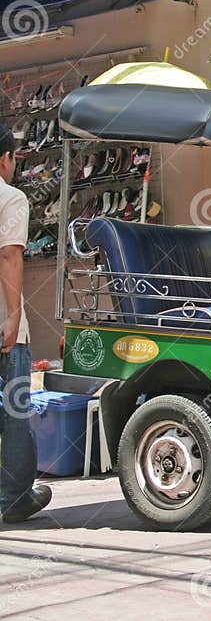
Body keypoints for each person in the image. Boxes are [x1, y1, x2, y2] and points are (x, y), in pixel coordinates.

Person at [0, 123, 51, 523]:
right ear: (6, 158)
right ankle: (13, 498)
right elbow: (9, 256)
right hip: (3, 324)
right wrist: (14, 315)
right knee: (16, 409)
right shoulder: (10, 197)